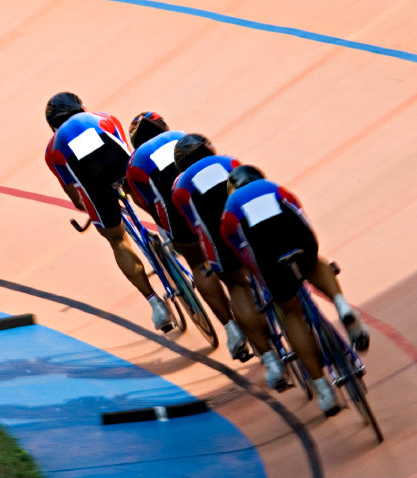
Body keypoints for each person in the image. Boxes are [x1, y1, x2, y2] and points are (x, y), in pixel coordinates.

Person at [221, 164, 370, 415]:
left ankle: (324, 390)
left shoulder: (230, 210)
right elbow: (302, 217)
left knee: (291, 313)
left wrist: (260, 276)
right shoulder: (274, 188)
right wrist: (308, 253)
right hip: (297, 235)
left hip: (267, 254)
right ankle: (342, 306)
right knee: (313, 261)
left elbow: (242, 253)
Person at [43, 92, 174, 331]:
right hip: (118, 161)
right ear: (80, 107)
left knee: (117, 239)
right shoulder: (103, 117)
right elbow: (128, 154)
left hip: (92, 183)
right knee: (139, 190)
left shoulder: (52, 150)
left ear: (53, 125)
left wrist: (90, 206)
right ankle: (167, 232)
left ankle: (156, 305)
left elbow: (76, 195)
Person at [124, 112, 248, 360]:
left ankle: (231, 329)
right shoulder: (182, 137)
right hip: (216, 196)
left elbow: (146, 203)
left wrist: (164, 227)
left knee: (199, 264)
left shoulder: (135, 161)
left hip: (176, 209)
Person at [170, 133, 285, 389]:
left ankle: (271, 361)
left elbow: (195, 225)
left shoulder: (179, 186)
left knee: (236, 286)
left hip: (219, 236)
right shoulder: (229, 161)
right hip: (253, 221)